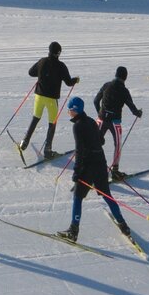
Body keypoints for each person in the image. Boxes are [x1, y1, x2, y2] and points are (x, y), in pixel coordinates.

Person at [58, 97, 131, 245]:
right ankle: (124, 226)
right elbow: (101, 140)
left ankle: (73, 231)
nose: (69, 112)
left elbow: (80, 151)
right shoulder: (91, 121)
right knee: (107, 196)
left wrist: (77, 173)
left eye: (70, 110)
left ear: (75, 110)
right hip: (100, 164)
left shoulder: (77, 126)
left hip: (88, 167)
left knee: (78, 197)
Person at [19, 41, 78, 158]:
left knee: (35, 118)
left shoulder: (42, 61)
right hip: (51, 99)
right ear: (58, 53)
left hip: (39, 96)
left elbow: (31, 72)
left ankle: (24, 142)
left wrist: (41, 74)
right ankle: (48, 149)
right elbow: (68, 82)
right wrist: (75, 80)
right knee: (52, 123)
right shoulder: (61, 66)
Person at [93, 66, 143, 178]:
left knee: (94, 142)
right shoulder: (124, 91)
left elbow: (96, 101)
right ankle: (115, 171)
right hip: (114, 122)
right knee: (118, 145)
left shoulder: (106, 85)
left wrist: (100, 113)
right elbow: (132, 108)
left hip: (101, 119)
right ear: (125, 77)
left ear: (115, 75)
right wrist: (138, 113)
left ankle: (91, 168)